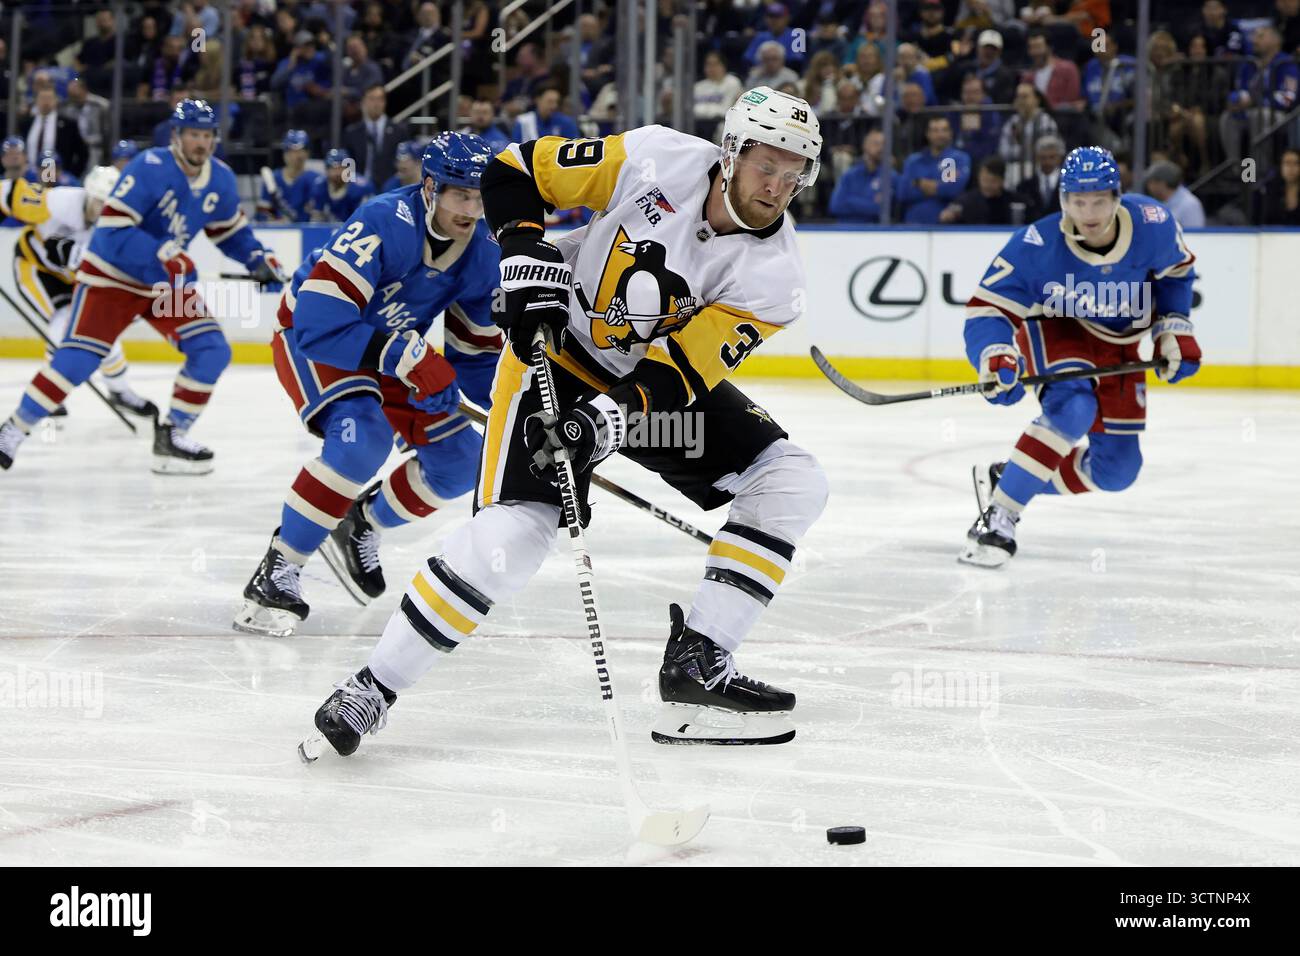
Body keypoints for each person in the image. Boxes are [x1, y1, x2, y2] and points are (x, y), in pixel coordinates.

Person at [302, 86, 830, 756]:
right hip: (553, 352)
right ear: (730, 152)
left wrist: (598, 424)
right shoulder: (655, 157)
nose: (779, 186)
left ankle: (698, 663)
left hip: (647, 393)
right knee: (515, 535)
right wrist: (524, 253)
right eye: (767, 166)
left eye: (794, 174)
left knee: (792, 480)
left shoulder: (777, 275)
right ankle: (372, 688)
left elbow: (679, 374)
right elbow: (514, 170)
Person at [234, 133, 501, 638]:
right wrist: (406, 357)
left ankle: (361, 524)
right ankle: (279, 567)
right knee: (363, 439)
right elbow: (319, 321)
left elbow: (476, 360)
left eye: (479, 196)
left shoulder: (484, 252)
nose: (471, 208)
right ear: (429, 188)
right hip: (318, 338)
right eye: (460, 195)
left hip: (391, 351)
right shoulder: (383, 221)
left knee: (463, 461)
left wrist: (520, 414)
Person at [0, 100, 289, 474]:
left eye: (206, 135)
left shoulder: (220, 178)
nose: (200, 143)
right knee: (79, 359)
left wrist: (257, 258)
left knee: (212, 349)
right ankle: (14, 429)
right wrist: (164, 252)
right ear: (176, 136)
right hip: (111, 277)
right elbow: (112, 232)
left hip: (162, 284)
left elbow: (230, 232)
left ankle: (172, 435)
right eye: (193, 134)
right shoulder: (149, 167)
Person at [959, 146, 1199, 567]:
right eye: (1077, 201)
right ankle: (999, 518)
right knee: (1074, 409)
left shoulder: (1154, 225)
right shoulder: (1037, 244)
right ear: (1063, 201)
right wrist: (995, 353)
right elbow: (989, 308)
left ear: (1117, 197)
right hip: (1057, 327)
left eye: (1099, 200)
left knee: (1117, 472)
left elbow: (1176, 275)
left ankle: (1012, 475)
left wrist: (1175, 328)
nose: (1088, 212)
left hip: (1120, 343)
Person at [0, 167, 156, 421]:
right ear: (88, 194)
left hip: (78, 278)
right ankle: (49, 392)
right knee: (62, 321)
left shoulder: (118, 228)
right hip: (36, 269)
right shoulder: (58, 202)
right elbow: (9, 193)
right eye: (100, 202)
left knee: (100, 329)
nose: (105, 210)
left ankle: (119, 390)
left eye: (111, 205)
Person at [897, 116, 971, 223]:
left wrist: (919, 183)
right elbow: (903, 192)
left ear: (950, 133)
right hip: (912, 224)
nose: (940, 135)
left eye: (944, 130)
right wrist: (938, 186)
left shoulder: (956, 158)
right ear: (927, 134)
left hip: (945, 225)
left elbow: (952, 190)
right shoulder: (913, 161)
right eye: (935, 130)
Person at [341, 84, 409, 186]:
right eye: (372, 99)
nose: (376, 104)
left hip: (390, 191)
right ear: (363, 102)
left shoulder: (399, 132)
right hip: (360, 189)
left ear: (385, 102)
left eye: (380, 99)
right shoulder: (351, 133)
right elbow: (348, 165)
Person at [257, 129, 323, 222]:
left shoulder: (316, 180)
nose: (296, 156)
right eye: (291, 151)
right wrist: (273, 220)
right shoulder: (273, 178)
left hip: (307, 232)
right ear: (284, 153)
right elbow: (262, 213)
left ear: (307, 153)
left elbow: (320, 215)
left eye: (300, 151)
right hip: (280, 233)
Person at [22, 86, 88, 179]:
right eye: (42, 98)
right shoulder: (26, 123)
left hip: (57, 178)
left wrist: (72, 174)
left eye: (49, 98)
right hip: (29, 177)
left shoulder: (68, 125)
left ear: (56, 100)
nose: (46, 102)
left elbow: (83, 153)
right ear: (36, 101)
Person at [830, 128, 890, 221]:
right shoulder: (849, 175)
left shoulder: (889, 176)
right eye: (876, 144)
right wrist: (871, 204)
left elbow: (884, 209)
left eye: (884, 145)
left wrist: (850, 201)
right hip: (845, 231)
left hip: (876, 231)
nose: (881, 148)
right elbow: (836, 205)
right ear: (865, 146)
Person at [940, 154, 1014, 223]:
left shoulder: (1013, 202)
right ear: (978, 177)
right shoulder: (964, 202)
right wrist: (947, 216)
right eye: (985, 180)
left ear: (1002, 180)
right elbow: (946, 217)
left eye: (993, 181)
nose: (988, 185)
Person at [308, 148, 374, 222]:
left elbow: (365, 219)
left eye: (341, 168)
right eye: (333, 169)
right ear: (326, 170)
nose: (337, 173)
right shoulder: (319, 186)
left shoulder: (360, 187)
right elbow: (316, 220)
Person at [1011, 133, 1065, 219]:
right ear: (1037, 158)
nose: (1047, 162)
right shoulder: (1024, 187)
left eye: (1052, 157)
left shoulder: (1068, 185)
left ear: (1060, 157)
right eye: (1043, 158)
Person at [1143, 160, 1206, 228]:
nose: (1148, 186)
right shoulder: (1156, 201)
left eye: (1151, 182)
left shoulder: (1190, 204)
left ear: (1161, 183)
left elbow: (1195, 235)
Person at [510, 85, 581, 143]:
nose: (554, 106)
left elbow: (575, 146)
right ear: (538, 100)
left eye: (556, 102)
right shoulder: (523, 121)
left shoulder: (566, 122)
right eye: (550, 102)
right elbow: (515, 147)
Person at [1261, 147, 1300, 225]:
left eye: (1296, 163)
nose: (1291, 168)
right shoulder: (1271, 190)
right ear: (1281, 167)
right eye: (1287, 163)